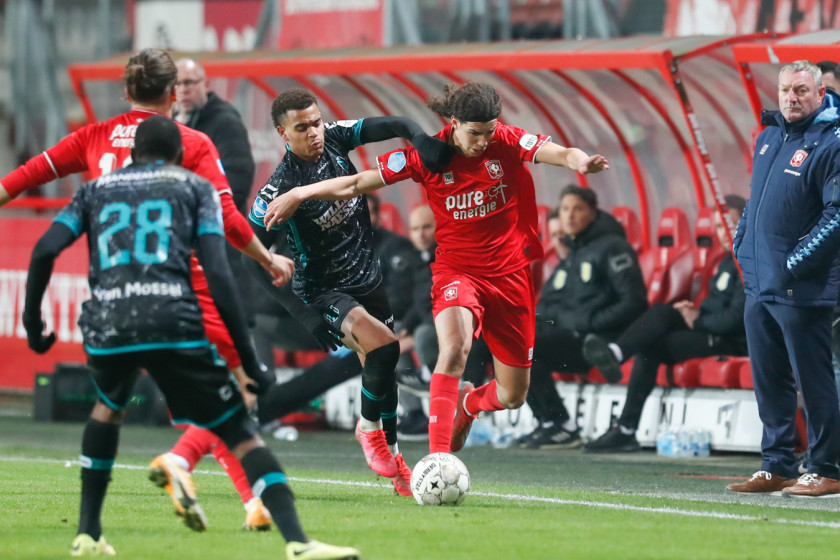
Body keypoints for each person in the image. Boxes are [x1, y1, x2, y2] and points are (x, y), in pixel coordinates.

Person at [21, 116, 359, 560]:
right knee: (240, 431)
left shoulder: (93, 190)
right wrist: (245, 355)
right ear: (181, 156)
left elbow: (45, 249)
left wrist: (32, 322)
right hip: (173, 322)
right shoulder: (194, 189)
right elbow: (219, 271)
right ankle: (298, 541)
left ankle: (88, 534)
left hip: (109, 326)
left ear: (131, 155)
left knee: (106, 412)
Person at [0, 48, 294, 532]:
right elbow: (226, 218)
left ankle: (94, 528)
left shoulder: (93, 136)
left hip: (114, 293)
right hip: (184, 284)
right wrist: (266, 257)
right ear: (172, 93)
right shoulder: (190, 142)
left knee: (111, 406)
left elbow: (27, 175)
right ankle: (206, 473)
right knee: (239, 390)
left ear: (125, 92)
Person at [261, 82, 610, 455]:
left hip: (509, 276)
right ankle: (438, 458)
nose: (481, 141)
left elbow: (557, 152)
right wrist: (299, 193)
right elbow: (359, 182)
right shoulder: (429, 155)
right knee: (454, 348)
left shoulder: (506, 141)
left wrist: (580, 161)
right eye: (474, 133)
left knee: (511, 395)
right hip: (456, 271)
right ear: (455, 123)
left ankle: (469, 404)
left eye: (488, 132)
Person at [246, 87, 453, 496]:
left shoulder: (336, 136)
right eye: (302, 127)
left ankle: (397, 470)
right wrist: (304, 315)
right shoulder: (278, 189)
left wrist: (420, 138)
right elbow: (247, 256)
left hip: (368, 280)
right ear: (282, 134)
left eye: (317, 122)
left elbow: (395, 124)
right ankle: (368, 429)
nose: (315, 133)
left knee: (384, 371)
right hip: (323, 292)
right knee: (384, 348)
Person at [155, 56, 272, 531]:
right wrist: (266, 259)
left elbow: (234, 191)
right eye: (176, 83)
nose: (183, 90)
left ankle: (253, 503)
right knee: (238, 390)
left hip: (171, 284)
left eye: (189, 82)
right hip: (204, 278)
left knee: (215, 397)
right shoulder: (184, 133)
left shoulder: (220, 125)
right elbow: (225, 208)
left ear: (206, 85)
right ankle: (182, 461)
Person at [726, 60, 840, 496]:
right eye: (785, 90)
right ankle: (777, 464)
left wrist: (796, 262)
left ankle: (825, 467)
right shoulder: (769, 136)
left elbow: (836, 215)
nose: (791, 98)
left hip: (801, 287)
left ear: (820, 92)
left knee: (813, 382)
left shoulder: (832, 142)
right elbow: (756, 201)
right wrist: (742, 243)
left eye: (801, 91)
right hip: (760, 283)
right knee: (769, 379)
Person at [583, 195, 748, 453]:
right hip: (709, 329)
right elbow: (716, 306)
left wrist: (697, 320)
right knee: (660, 320)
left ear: (747, 221)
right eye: (718, 226)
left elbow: (737, 318)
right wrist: (693, 311)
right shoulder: (725, 260)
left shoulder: (747, 262)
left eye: (731, 223)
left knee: (654, 338)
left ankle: (625, 422)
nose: (724, 232)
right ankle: (617, 369)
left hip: (733, 341)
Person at [518, 185, 647, 449]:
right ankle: (549, 423)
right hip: (571, 337)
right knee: (515, 344)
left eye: (577, 209)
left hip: (597, 343)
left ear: (593, 213)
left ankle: (562, 425)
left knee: (528, 348)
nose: (570, 216)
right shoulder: (574, 252)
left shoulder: (612, 247)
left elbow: (634, 303)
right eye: (565, 209)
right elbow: (549, 303)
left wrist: (590, 323)